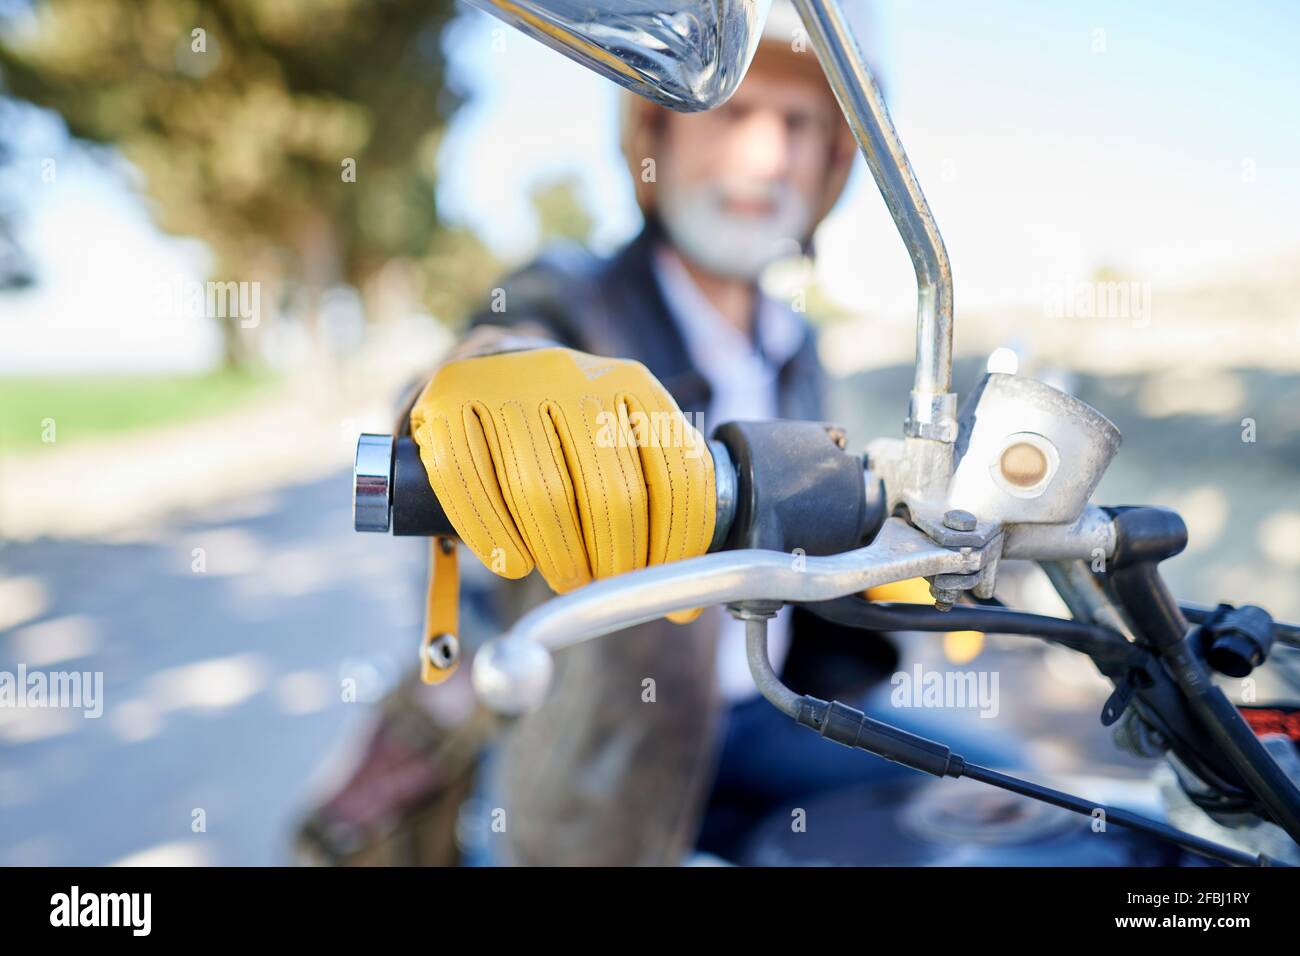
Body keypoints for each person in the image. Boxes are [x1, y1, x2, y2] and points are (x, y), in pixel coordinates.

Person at [297, 1, 1018, 866]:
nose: (765, 154)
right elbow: (475, 367)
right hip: (595, 748)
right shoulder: (573, 298)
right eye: (733, 111)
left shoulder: (796, 346)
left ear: (833, 159)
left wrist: (893, 556)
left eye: (797, 122)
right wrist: (479, 380)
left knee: (1016, 804)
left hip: (764, 708)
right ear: (658, 133)